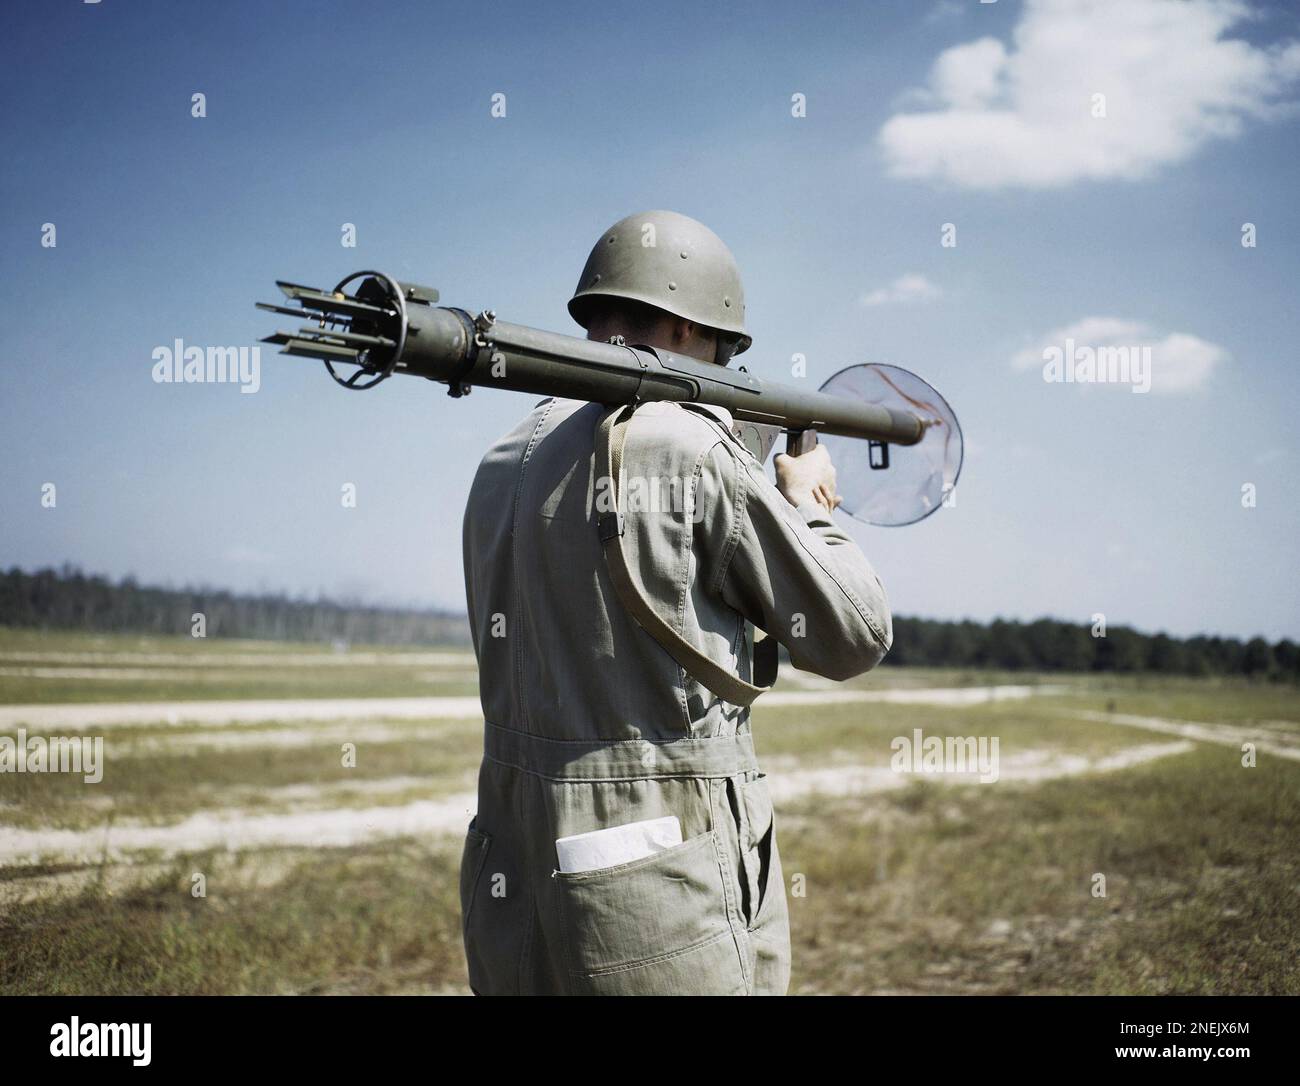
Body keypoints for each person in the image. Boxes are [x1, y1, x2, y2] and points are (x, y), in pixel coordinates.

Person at [459, 210, 892, 995]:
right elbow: (852, 635)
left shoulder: (507, 453)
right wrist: (808, 504)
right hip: (654, 892)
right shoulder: (693, 448)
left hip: (509, 867)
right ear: (694, 331)